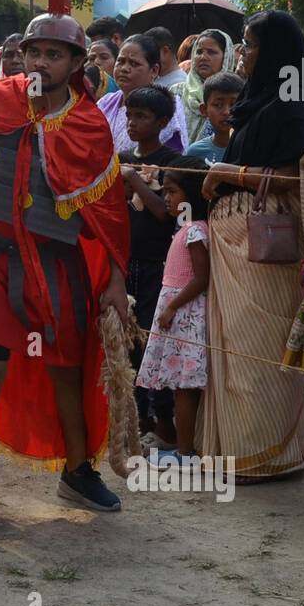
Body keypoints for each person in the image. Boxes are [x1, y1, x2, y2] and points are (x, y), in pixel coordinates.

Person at [0, 0, 131, 526]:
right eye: (33, 51)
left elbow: (107, 215)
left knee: (67, 370)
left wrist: (114, 279)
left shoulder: (88, 126)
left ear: (76, 64)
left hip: (57, 266)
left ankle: (78, 471)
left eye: (54, 55)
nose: (40, 62)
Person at [198, 10, 304, 480]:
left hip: (266, 243)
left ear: (275, 53)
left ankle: (267, 455)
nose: (242, 52)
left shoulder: (293, 103)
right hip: (234, 238)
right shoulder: (256, 99)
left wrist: (231, 174)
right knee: (231, 349)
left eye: (250, 44)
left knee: (258, 352)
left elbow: (301, 173)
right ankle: (235, 451)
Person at [136, 158, 211, 465]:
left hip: (184, 315)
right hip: (177, 313)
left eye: (173, 192)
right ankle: (182, 447)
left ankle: (184, 452)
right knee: (181, 385)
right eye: (165, 191)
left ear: (191, 195)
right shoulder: (185, 229)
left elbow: (201, 278)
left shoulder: (195, 230)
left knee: (184, 386)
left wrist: (172, 307)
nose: (166, 198)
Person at [118, 85, 180, 448]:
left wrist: (134, 181)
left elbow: (163, 213)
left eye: (141, 116)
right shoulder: (122, 157)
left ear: (163, 122)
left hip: (159, 265)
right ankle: (136, 420)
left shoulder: (174, 161)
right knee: (127, 343)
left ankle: (163, 424)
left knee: (153, 342)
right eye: (129, 115)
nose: (132, 122)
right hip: (126, 261)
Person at [100, 34, 188, 154]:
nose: (124, 68)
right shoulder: (105, 102)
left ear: (154, 70)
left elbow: (170, 156)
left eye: (134, 63)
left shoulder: (166, 104)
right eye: (120, 61)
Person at [180, 29, 236, 142]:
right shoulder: (177, 92)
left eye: (211, 52)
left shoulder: (238, 94)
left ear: (226, 57)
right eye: (199, 52)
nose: (203, 57)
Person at [186, 72, 243, 164]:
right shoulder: (195, 153)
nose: (227, 112)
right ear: (204, 110)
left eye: (233, 105)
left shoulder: (250, 150)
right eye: (218, 105)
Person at [146, 26, 186, 92]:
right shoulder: (155, 76)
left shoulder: (179, 84)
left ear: (165, 51)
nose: (148, 58)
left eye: (151, 53)